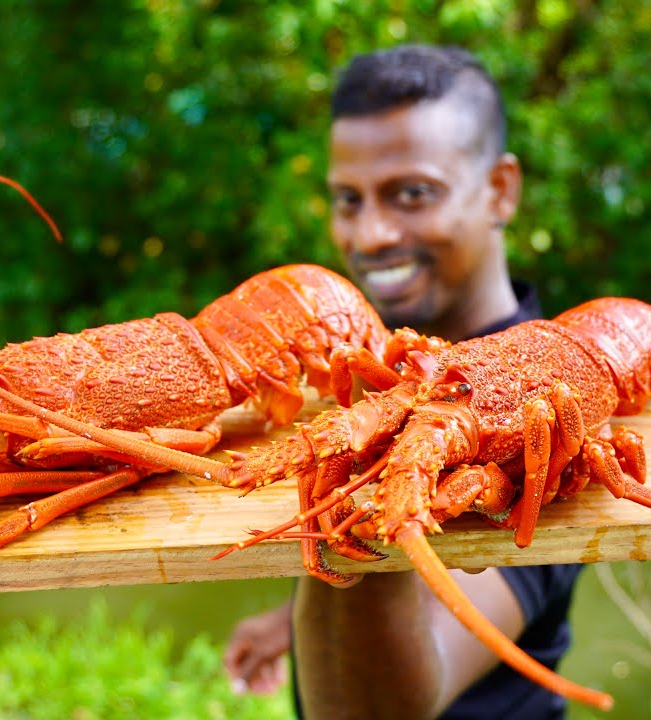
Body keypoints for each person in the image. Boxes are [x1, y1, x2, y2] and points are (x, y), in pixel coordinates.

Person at [223, 44, 584, 719]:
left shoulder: (548, 412)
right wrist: (291, 617)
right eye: (347, 200)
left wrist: (356, 488)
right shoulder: (386, 364)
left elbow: (389, 707)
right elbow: (425, 567)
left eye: (412, 194)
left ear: (500, 190)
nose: (371, 233)